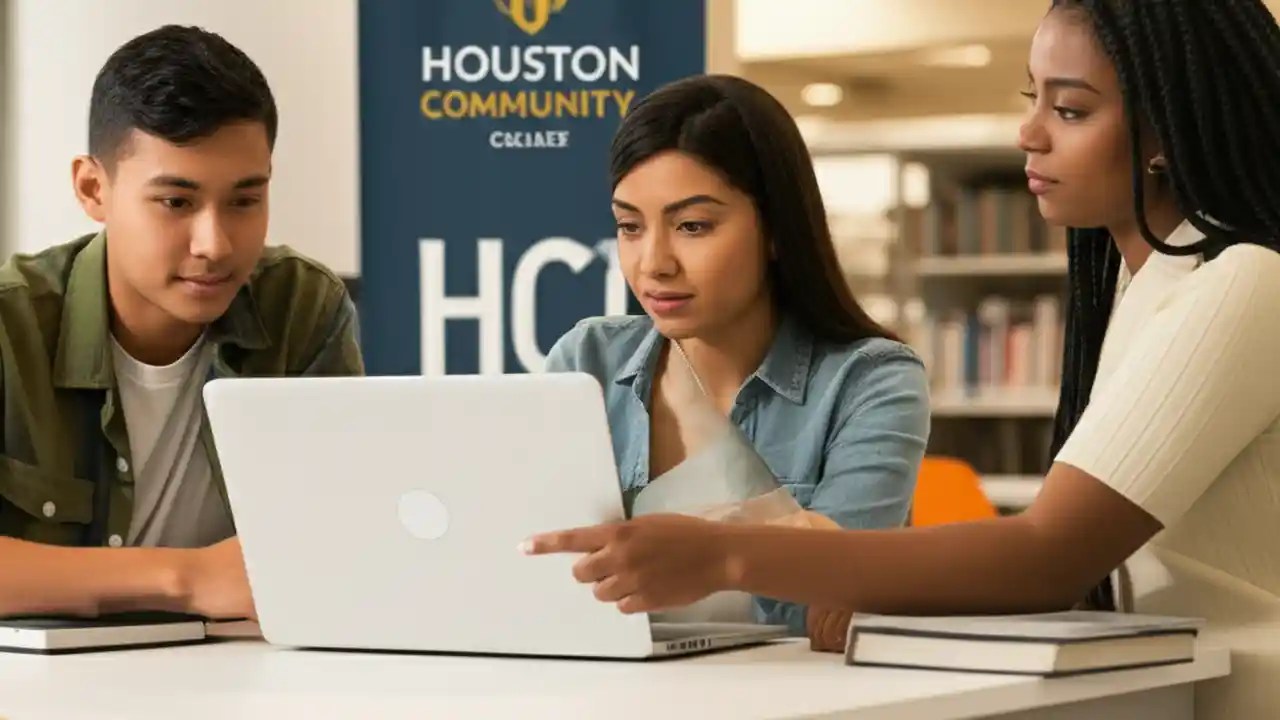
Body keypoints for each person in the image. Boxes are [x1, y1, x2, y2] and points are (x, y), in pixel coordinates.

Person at [528, 1, 1280, 716]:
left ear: (1166, 130)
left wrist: (726, 555)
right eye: (1034, 100)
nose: (1029, 133)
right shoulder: (1136, 291)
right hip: (1160, 692)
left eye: (1071, 110)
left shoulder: (1244, 280)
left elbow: (1049, 556)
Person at [542, 74, 931, 635]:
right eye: (629, 227)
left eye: (692, 226)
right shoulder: (588, 359)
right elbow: (533, 574)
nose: (654, 263)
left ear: (776, 230)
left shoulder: (870, 381)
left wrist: (706, 442)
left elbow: (829, 606)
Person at [0, 26, 364, 620]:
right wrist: (187, 579)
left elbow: (346, 533)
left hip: (240, 668)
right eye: (176, 202)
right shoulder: (10, 324)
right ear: (93, 189)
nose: (214, 244)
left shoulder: (302, 308)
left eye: (245, 201)